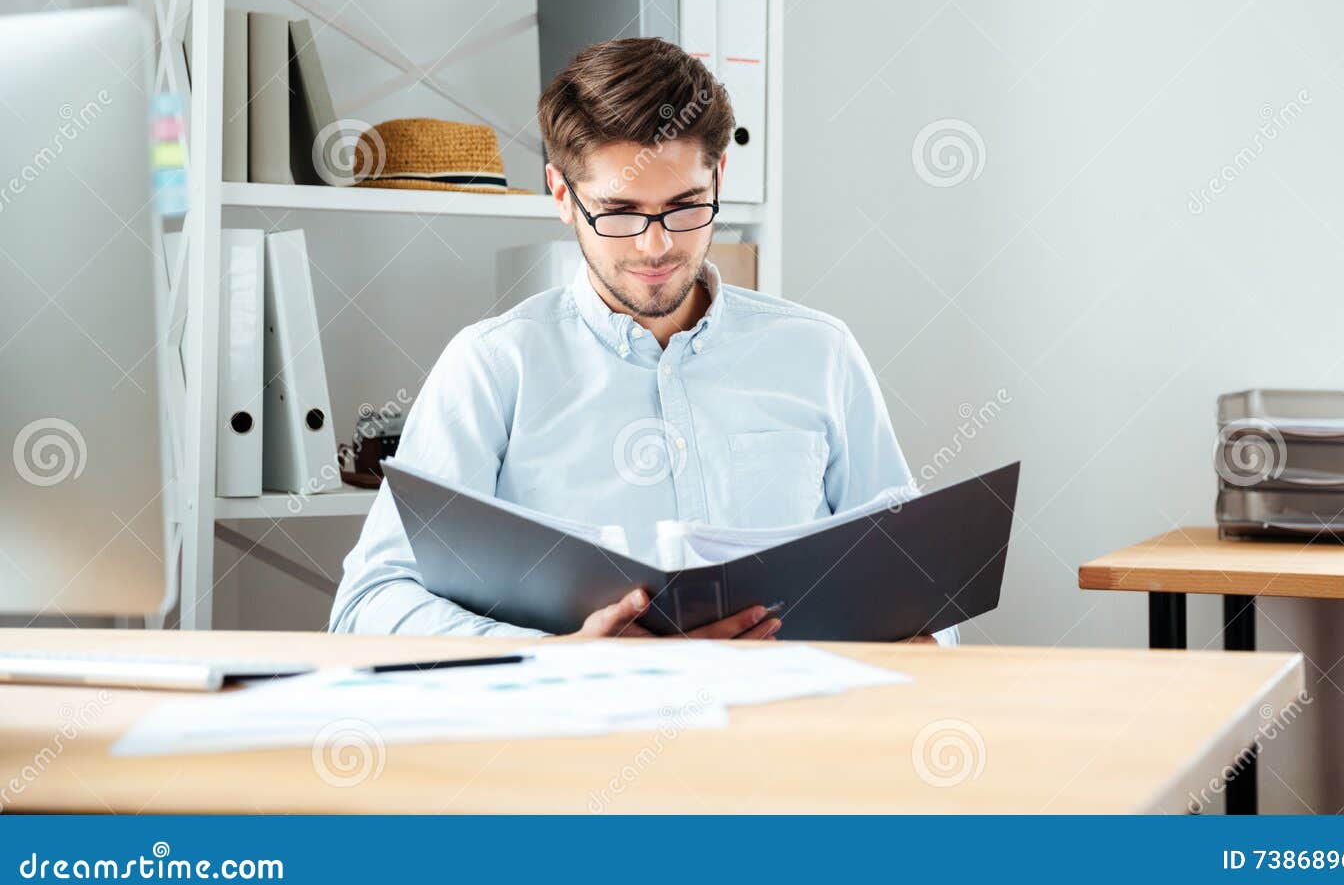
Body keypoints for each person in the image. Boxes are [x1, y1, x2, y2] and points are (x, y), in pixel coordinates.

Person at [330, 37, 951, 644]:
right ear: (561, 194)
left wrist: (920, 637)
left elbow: (922, 590)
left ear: (719, 177)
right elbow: (368, 604)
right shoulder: (494, 367)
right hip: (581, 736)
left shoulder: (820, 353)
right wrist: (550, 659)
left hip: (788, 731)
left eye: (684, 207)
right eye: (620, 213)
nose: (656, 247)